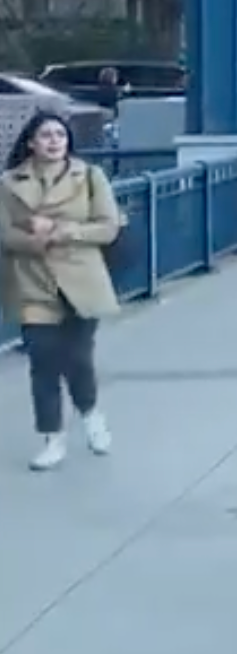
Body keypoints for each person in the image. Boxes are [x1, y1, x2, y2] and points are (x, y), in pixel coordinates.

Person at [4, 113, 128, 470]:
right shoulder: (9, 183)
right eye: (46, 135)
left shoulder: (89, 176)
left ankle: (90, 413)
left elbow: (107, 228)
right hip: (33, 279)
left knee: (77, 358)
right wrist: (32, 240)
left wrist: (59, 230)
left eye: (60, 134)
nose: (55, 141)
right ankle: (51, 437)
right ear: (31, 142)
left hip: (80, 279)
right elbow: (4, 234)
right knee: (43, 362)